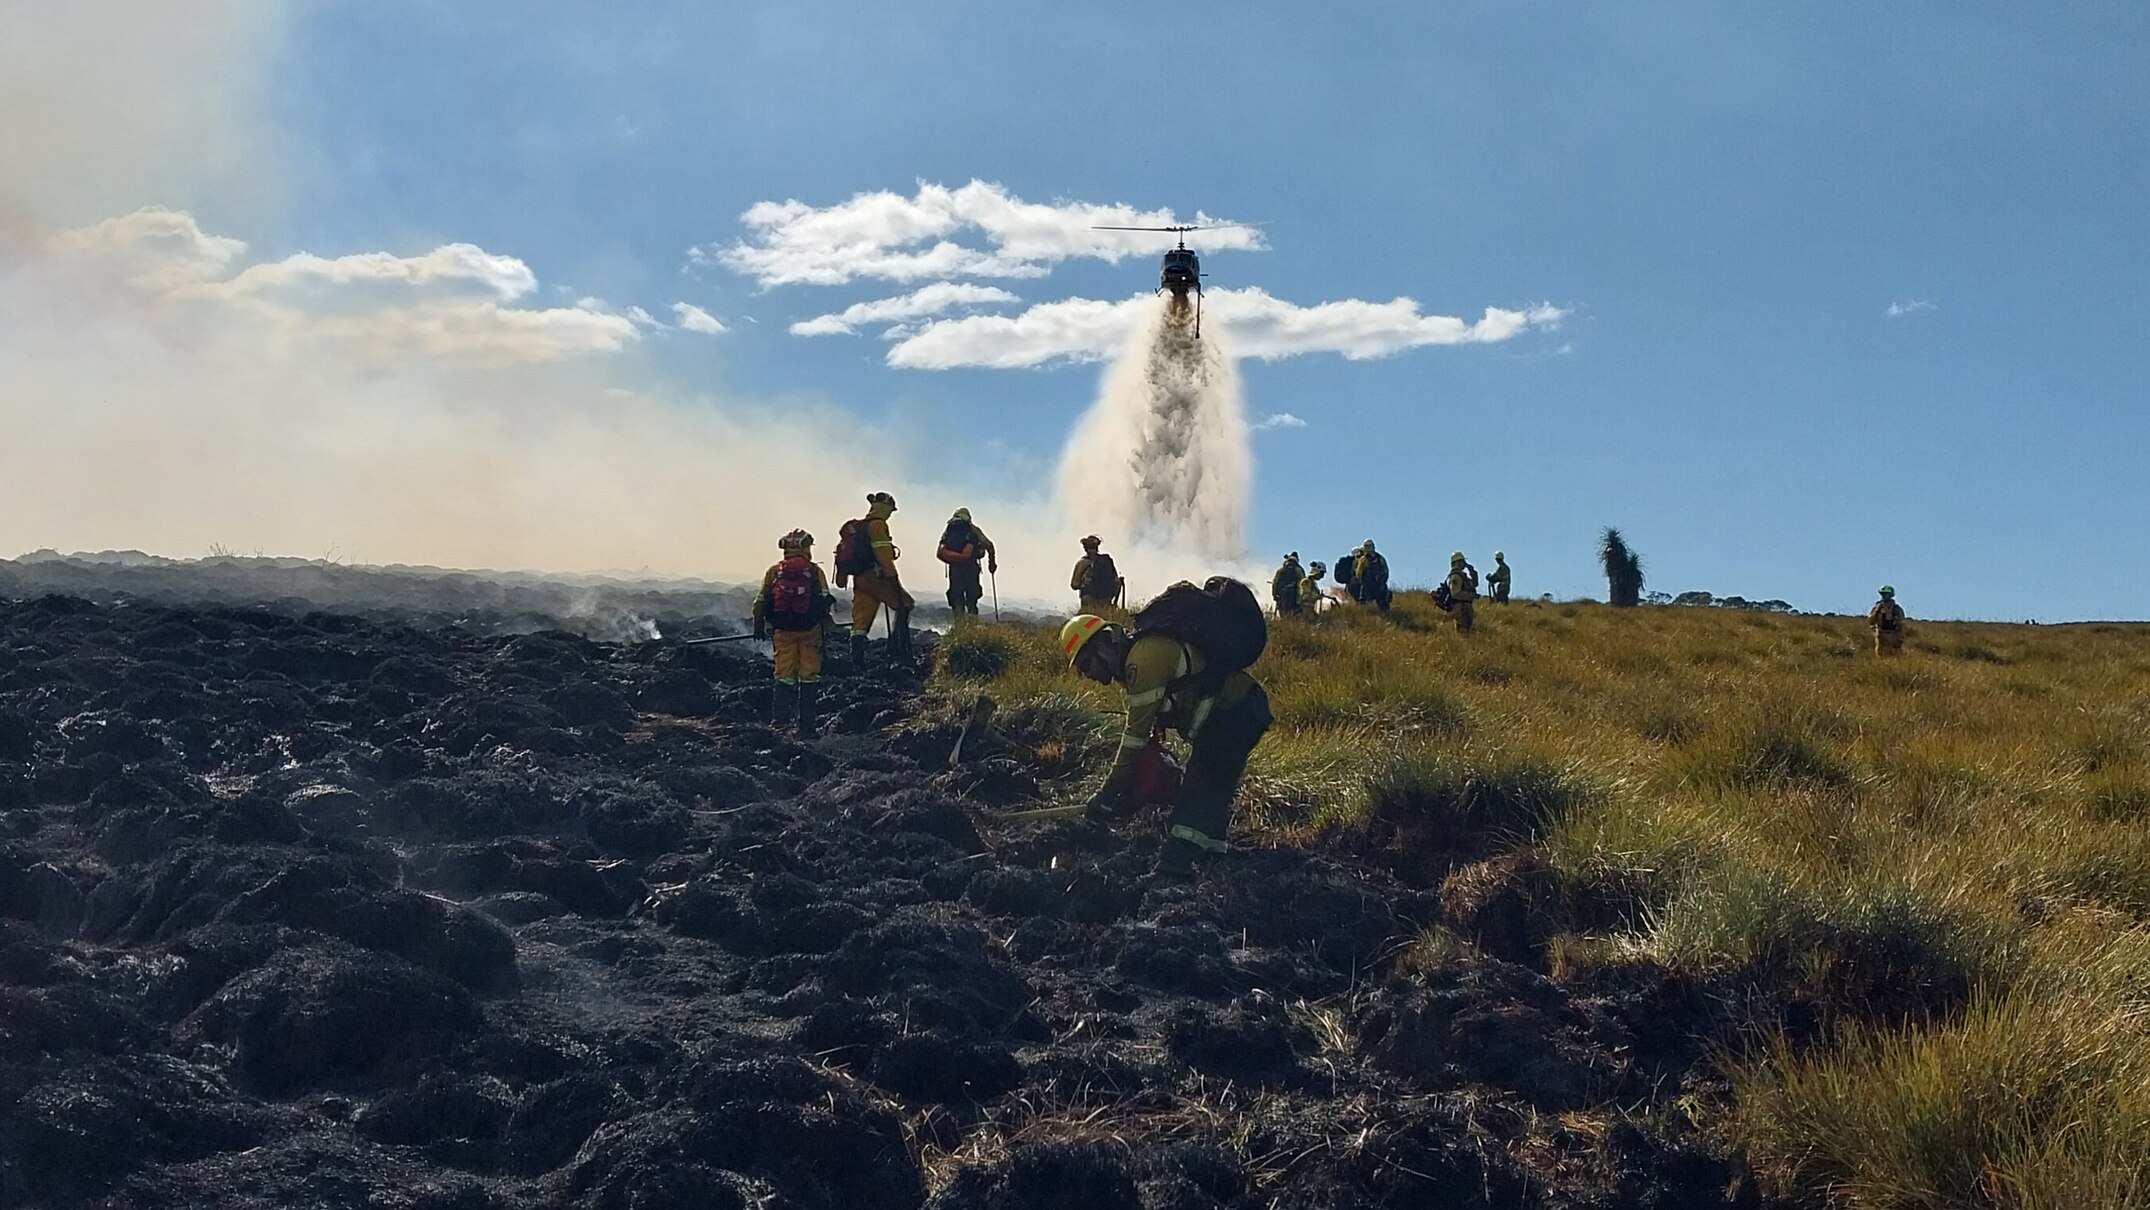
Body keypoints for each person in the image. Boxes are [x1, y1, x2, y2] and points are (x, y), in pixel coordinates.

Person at [1060, 610, 1272, 869]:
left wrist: (1109, 792)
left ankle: (1174, 867)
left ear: (1105, 642)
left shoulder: (1143, 661)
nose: (1087, 674)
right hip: (1231, 716)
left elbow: (1134, 739)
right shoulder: (1136, 664)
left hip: (1238, 713)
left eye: (1086, 664)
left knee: (1197, 795)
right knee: (1210, 793)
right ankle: (1212, 857)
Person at [752, 529, 835, 735]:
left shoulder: (774, 571)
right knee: (809, 676)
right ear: (806, 548)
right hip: (809, 631)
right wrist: (826, 625)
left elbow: (760, 601)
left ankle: (780, 723)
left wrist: (758, 626)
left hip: (782, 632)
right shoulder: (815, 571)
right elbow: (824, 601)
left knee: (784, 675)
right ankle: (807, 728)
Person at [834, 491, 914, 667]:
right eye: (890, 510)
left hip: (860, 578)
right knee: (906, 604)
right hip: (875, 577)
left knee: (861, 621)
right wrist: (893, 579)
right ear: (885, 508)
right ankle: (897, 649)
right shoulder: (878, 525)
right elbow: (883, 556)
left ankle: (857, 659)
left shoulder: (860, 527)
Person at [936, 508, 997, 617]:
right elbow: (989, 545)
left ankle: (959, 622)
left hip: (955, 569)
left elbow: (941, 550)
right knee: (972, 598)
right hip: (971, 568)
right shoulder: (972, 529)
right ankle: (972, 621)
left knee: (956, 598)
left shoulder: (949, 529)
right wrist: (991, 563)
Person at [1071, 536, 1123, 613]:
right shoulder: (1106, 561)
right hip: (1106, 601)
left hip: (1088, 601)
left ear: (1085, 548)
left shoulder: (1082, 563)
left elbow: (1074, 585)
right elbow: (1115, 581)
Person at [1352, 540, 1393, 612]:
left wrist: (1381, 580)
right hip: (1366, 586)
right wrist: (1362, 580)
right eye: (1366, 546)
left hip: (1379, 585)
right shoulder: (1363, 559)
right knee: (1363, 604)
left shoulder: (1380, 559)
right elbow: (1358, 572)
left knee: (1383, 603)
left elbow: (1385, 571)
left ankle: (1386, 614)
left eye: (1369, 546)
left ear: (1373, 547)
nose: (1368, 548)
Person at [1445, 551, 1479, 634]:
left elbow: (1474, 584)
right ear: (1456, 563)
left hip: (1466, 607)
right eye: (1462, 561)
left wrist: (1473, 572)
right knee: (1462, 632)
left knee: (1467, 631)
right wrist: (1471, 595)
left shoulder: (1462, 575)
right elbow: (1455, 593)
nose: (1464, 563)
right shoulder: (1456, 576)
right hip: (1460, 607)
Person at [1868, 585, 1907, 657]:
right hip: (1881, 635)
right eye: (1884, 594)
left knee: (1896, 655)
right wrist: (1876, 611)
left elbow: (1902, 623)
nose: (1885, 596)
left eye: (1887, 594)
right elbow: (1871, 621)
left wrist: (1900, 637)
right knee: (1881, 655)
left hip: (1894, 635)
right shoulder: (1877, 607)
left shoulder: (1897, 609)